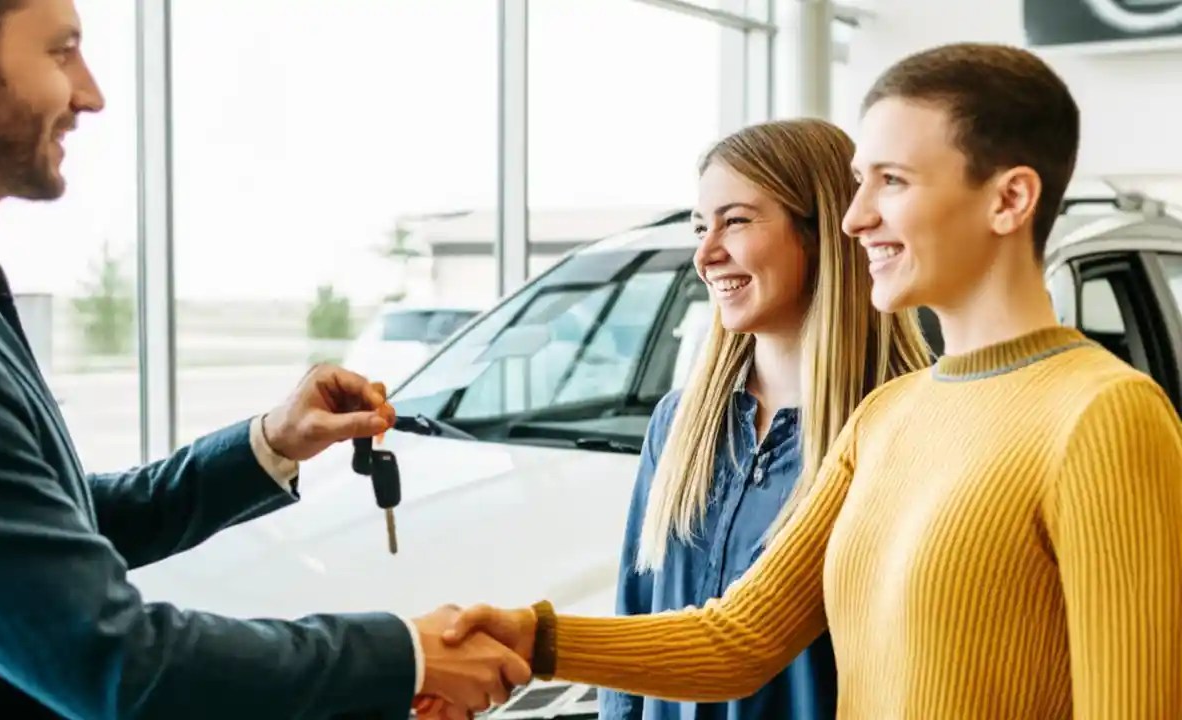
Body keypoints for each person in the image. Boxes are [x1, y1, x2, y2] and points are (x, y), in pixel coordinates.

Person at [434, 42, 1182, 719]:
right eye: (858, 184)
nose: (854, 219)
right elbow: (741, 638)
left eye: (891, 181)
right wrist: (532, 638)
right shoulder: (889, 415)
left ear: (1009, 199)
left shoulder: (1107, 415)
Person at [0, 1, 527, 718]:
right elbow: (117, 664)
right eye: (61, 51)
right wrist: (408, 655)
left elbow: (51, 522)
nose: (91, 93)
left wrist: (269, 442)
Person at [598, 118, 928, 720]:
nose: (705, 253)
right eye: (701, 226)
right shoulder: (679, 425)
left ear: (820, 232)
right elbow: (635, 624)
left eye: (737, 220)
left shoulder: (909, 432)